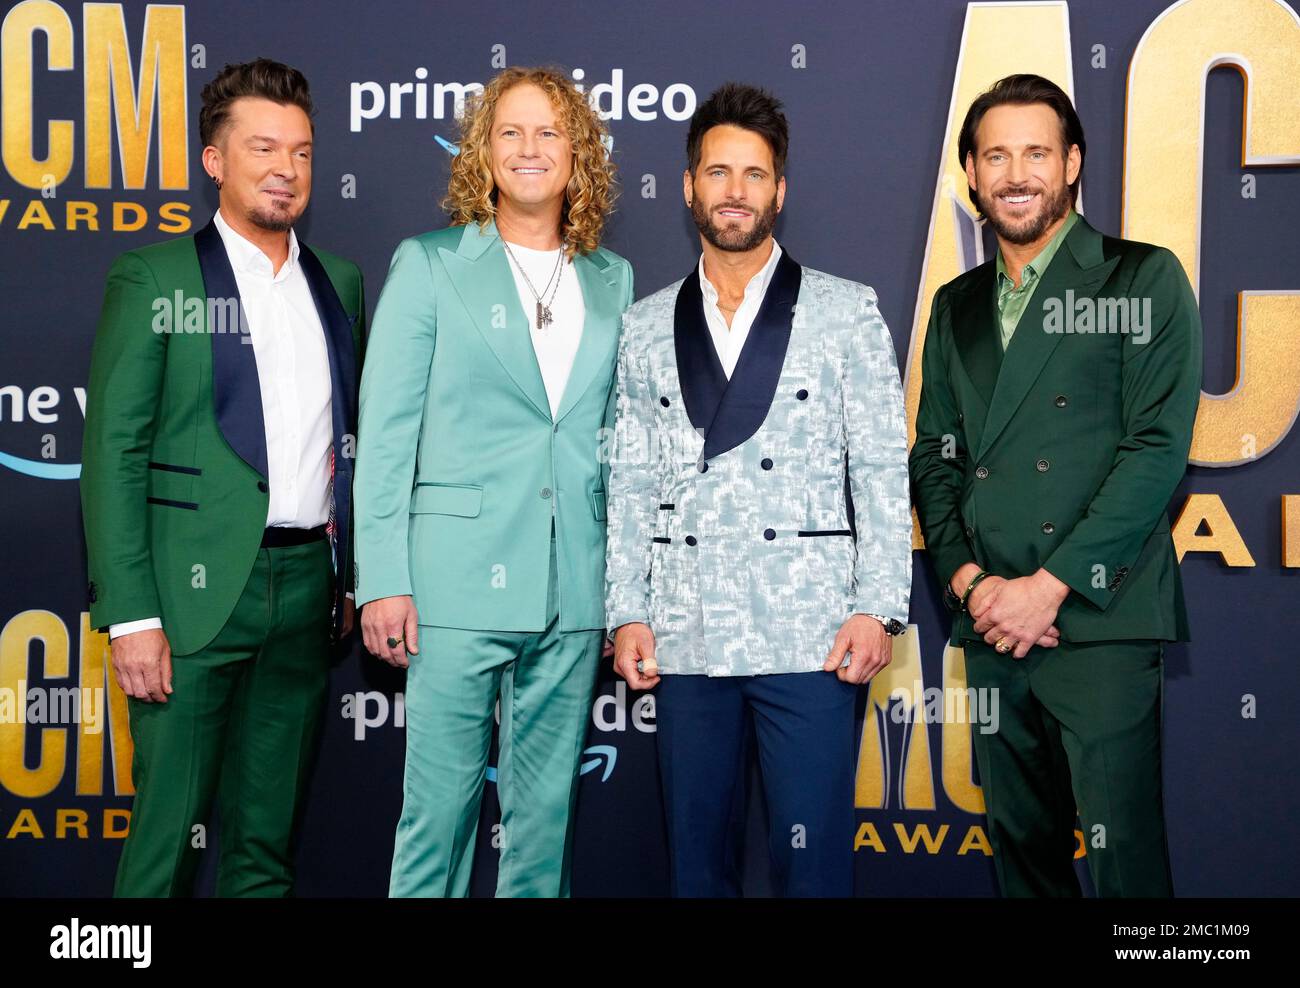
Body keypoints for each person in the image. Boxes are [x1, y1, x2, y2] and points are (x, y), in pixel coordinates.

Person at [605, 83, 912, 896]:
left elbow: (881, 469)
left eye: (753, 174)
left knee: (813, 871)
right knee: (695, 866)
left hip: (811, 631)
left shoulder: (847, 312)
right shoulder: (643, 323)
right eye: (717, 172)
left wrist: (878, 606)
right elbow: (630, 477)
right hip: (686, 626)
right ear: (688, 187)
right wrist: (626, 610)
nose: (734, 191)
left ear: (780, 189)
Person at [909, 73, 1202, 897]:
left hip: (1096, 621)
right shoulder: (958, 304)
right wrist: (970, 584)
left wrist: (1049, 587)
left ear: (1073, 162)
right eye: (995, 154)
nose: (1016, 173)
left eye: (1036, 151)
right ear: (970, 172)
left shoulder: (1136, 279)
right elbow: (935, 455)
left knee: (1123, 866)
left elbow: (1154, 452)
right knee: (1022, 858)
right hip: (997, 628)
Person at [81, 58, 364, 896]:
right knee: (164, 845)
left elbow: (342, 442)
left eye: (303, 152)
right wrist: (129, 614)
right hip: (189, 599)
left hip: (308, 592)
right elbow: (114, 453)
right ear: (214, 159)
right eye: (263, 148)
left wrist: (349, 575)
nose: (286, 169)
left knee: (263, 848)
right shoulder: (158, 279)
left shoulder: (337, 283)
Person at [354, 66, 634, 897]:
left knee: (543, 832)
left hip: (571, 591)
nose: (529, 148)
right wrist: (383, 581)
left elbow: (612, 441)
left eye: (550, 132)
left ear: (580, 155)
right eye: (509, 132)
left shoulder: (610, 279)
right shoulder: (432, 265)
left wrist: (622, 594)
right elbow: (387, 435)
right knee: (435, 823)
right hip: (452, 589)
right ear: (482, 152)